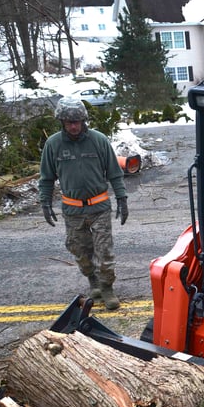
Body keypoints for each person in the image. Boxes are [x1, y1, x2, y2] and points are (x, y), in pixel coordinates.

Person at [39, 96, 129, 310]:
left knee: (104, 251)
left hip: (99, 208)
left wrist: (122, 199)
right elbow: (46, 178)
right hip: (72, 210)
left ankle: (107, 287)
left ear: (83, 120)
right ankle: (93, 280)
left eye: (77, 121)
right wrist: (45, 204)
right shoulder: (53, 144)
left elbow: (115, 173)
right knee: (80, 251)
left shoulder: (98, 140)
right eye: (69, 122)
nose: (73, 126)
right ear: (61, 121)